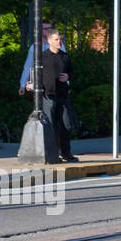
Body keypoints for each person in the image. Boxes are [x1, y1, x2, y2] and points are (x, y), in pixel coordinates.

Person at [36, 30, 78, 164]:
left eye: (60, 39)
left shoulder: (65, 57)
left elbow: (72, 72)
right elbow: (35, 73)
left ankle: (66, 152)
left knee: (67, 124)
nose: (59, 42)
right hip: (48, 95)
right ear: (49, 41)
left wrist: (68, 77)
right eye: (56, 39)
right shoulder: (42, 57)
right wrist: (30, 83)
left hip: (63, 95)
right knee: (51, 125)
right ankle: (53, 154)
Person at [18, 21, 53, 95]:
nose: (49, 30)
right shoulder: (34, 47)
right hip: (39, 86)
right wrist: (23, 85)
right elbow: (28, 67)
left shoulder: (59, 44)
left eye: (50, 28)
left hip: (56, 87)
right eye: (46, 28)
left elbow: (64, 65)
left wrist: (66, 84)